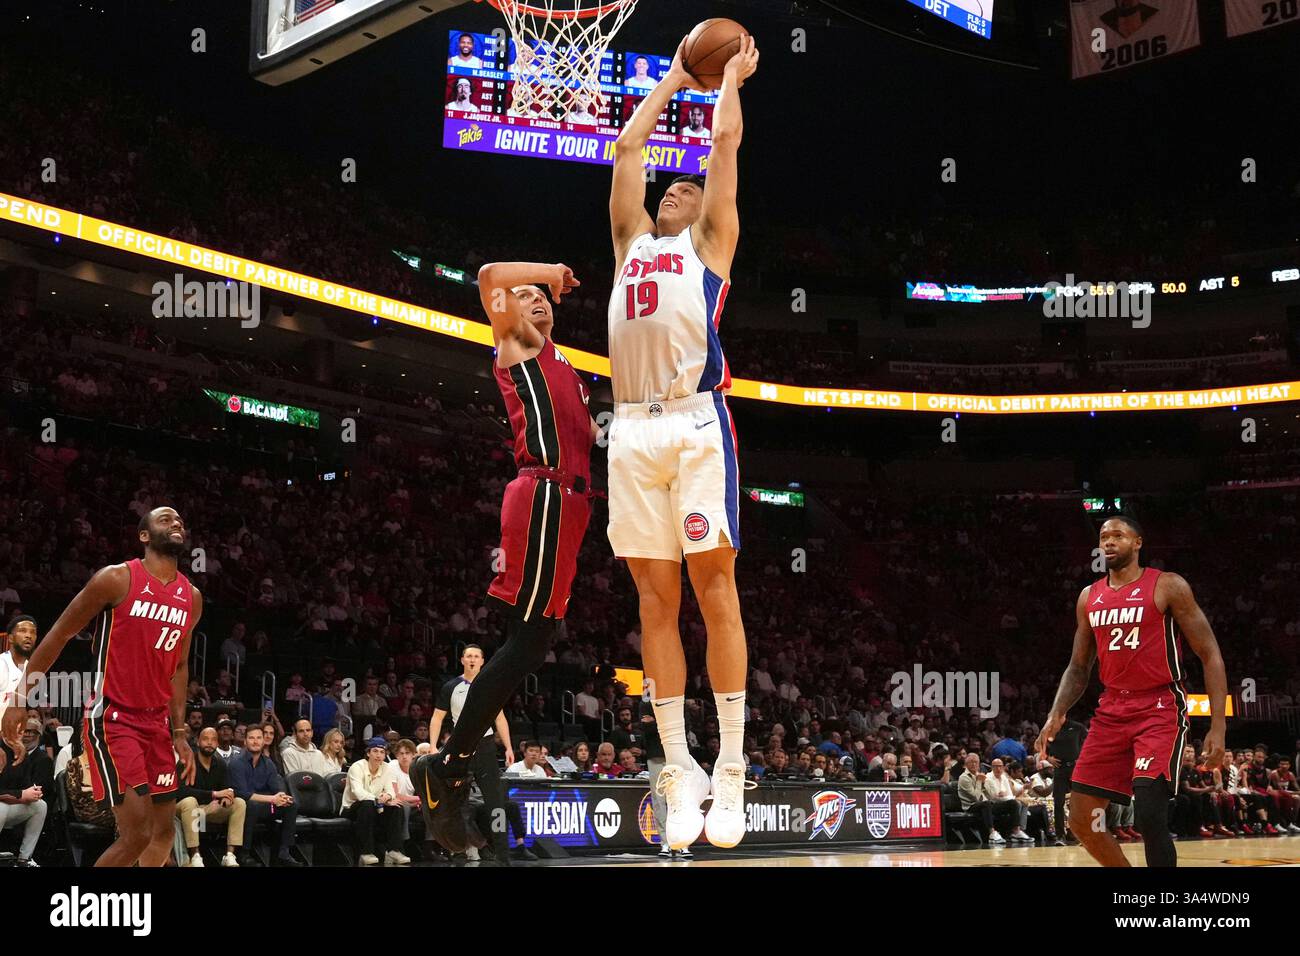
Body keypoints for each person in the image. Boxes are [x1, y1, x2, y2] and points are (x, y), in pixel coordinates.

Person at [606, 31, 759, 852]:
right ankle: (680, 767)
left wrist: (728, 75)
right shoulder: (630, 243)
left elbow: (723, 141)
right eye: (670, 185)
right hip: (629, 428)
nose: (677, 186)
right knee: (653, 603)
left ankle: (732, 765)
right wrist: (671, 75)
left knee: (714, 590)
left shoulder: (710, 247)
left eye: (687, 186)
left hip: (694, 421)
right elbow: (631, 145)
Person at [412, 258, 595, 859]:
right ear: (505, 312)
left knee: (534, 643)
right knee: (529, 641)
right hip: (542, 492)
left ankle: (453, 765)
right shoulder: (515, 345)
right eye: (522, 297)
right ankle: (451, 765)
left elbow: (592, 439)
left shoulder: (566, 363)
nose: (534, 300)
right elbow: (489, 272)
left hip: (572, 502)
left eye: (541, 296)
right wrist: (549, 271)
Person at [1, 506, 201, 867]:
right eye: (165, 519)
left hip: (157, 723)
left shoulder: (192, 597)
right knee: (137, 835)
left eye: (179, 521)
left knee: (163, 833)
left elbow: (181, 666)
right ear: (144, 536)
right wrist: (19, 695)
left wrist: (180, 731)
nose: (176, 523)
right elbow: (60, 633)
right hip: (113, 719)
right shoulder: (116, 578)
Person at [1036, 516, 1227, 867]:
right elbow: (1079, 667)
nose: (1108, 542)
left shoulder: (1167, 586)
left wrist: (1218, 726)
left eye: (1118, 535)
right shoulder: (1088, 597)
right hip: (1111, 710)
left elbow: (1209, 653)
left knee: (1150, 813)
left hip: (1159, 707)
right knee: (1080, 818)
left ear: (1138, 542)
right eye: (1103, 536)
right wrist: (1056, 712)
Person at [227, 726, 301, 867]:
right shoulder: (237, 763)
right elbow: (242, 793)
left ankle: (284, 853)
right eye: (251, 738)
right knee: (252, 805)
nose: (255, 741)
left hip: (266, 807)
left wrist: (282, 797)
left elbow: (276, 788)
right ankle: (244, 854)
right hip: (243, 806)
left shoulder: (268, 763)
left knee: (291, 805)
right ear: (245, 741)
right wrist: (272, 799)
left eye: (259, 738)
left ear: (263, 741)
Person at [175, 727, 244, 867]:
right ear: (198, 742)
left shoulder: (220, 764)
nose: (209, 743)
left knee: (239, 802)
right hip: (186, 809)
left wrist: (226, 797)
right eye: (205, 739)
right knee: (190, 801)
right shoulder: (185, 762)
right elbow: (180, 792)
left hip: (209, 810)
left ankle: (230, 855)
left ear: (217, 744)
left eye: (213, 740)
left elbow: (226, 789)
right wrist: (213, 794)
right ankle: (195, 855)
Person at [343, 737, 410, 865]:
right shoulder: (357, 767)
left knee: (396, 806)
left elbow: (391, 790)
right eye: (375, 751)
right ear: (368, 753)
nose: (378, 755)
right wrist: (378, 800)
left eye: (382, 752)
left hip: (375, 806)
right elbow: (358, 793)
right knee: (367, 804)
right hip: (351, 808)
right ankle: (366, 852)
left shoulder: (387, 768)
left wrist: (388, 797)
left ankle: (394, 850)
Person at [0, 614, 38, 722]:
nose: (28, 636)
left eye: (33, 632)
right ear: (11, 638)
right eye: (23, 631)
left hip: (23, 733)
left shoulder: (34, 668)